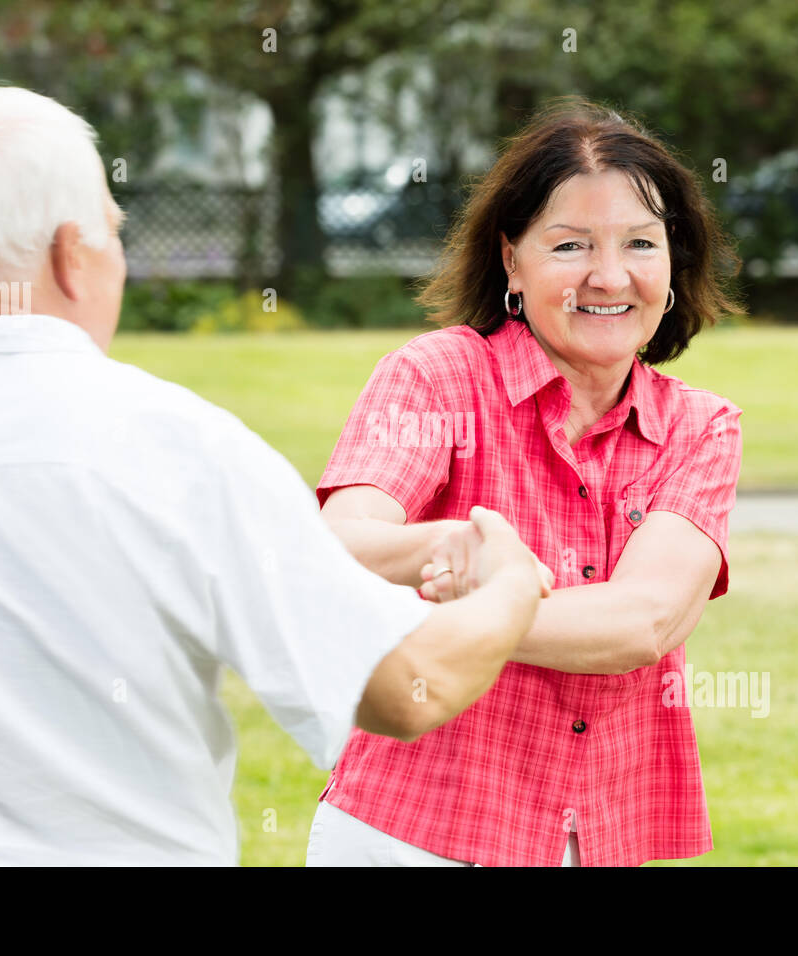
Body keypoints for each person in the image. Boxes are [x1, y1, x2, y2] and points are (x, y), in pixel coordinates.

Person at [0, 86, 548, 866]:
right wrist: (511, 580)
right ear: (71, 255)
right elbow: (411, 688)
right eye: (115, 232)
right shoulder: (176, 448)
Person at [306, 96, 745, 867]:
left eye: (641, 243)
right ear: (512, 258)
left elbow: (641, 624)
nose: (609, 277)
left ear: (673, 261)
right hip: (411, 834)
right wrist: (446, 542)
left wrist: (465, 611)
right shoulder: (437, 375)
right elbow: (339, 545)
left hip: (600, 840)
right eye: (571, 245)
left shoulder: (700, 427)